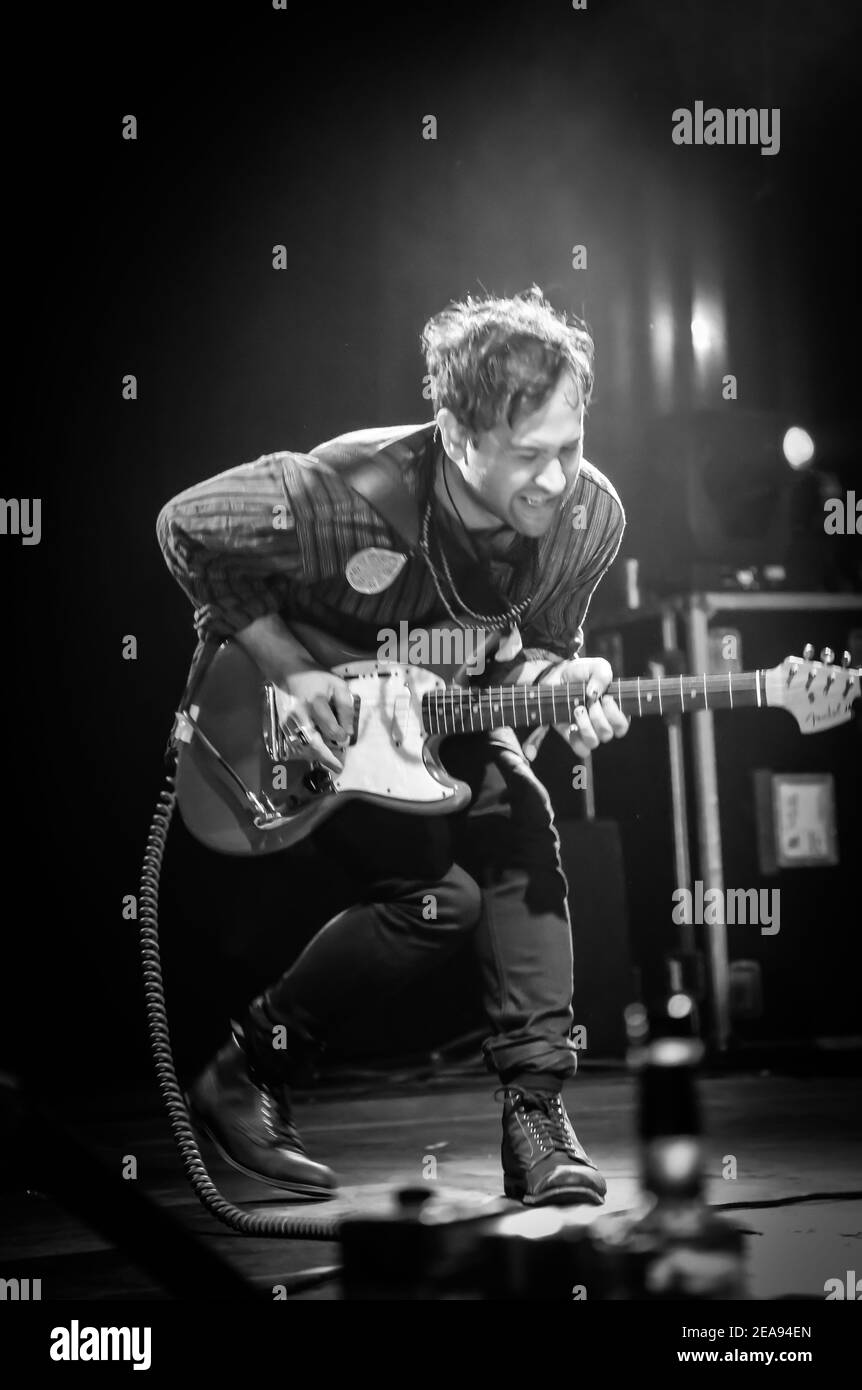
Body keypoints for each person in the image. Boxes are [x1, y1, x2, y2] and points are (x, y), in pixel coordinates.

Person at [156, 288, 629, 1207]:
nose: (555, 478)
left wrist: (558, 691)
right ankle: (247, 1068)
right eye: (526, 455)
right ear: (455, 434)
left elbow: (534, 657)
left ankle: (535, 1119)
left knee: (522, 823)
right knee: (436, 901)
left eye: (569, 447)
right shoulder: (340, 495)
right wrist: (293, 670)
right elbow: (185, 529)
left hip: (445, 716)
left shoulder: (587, 520)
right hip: (293, 726)